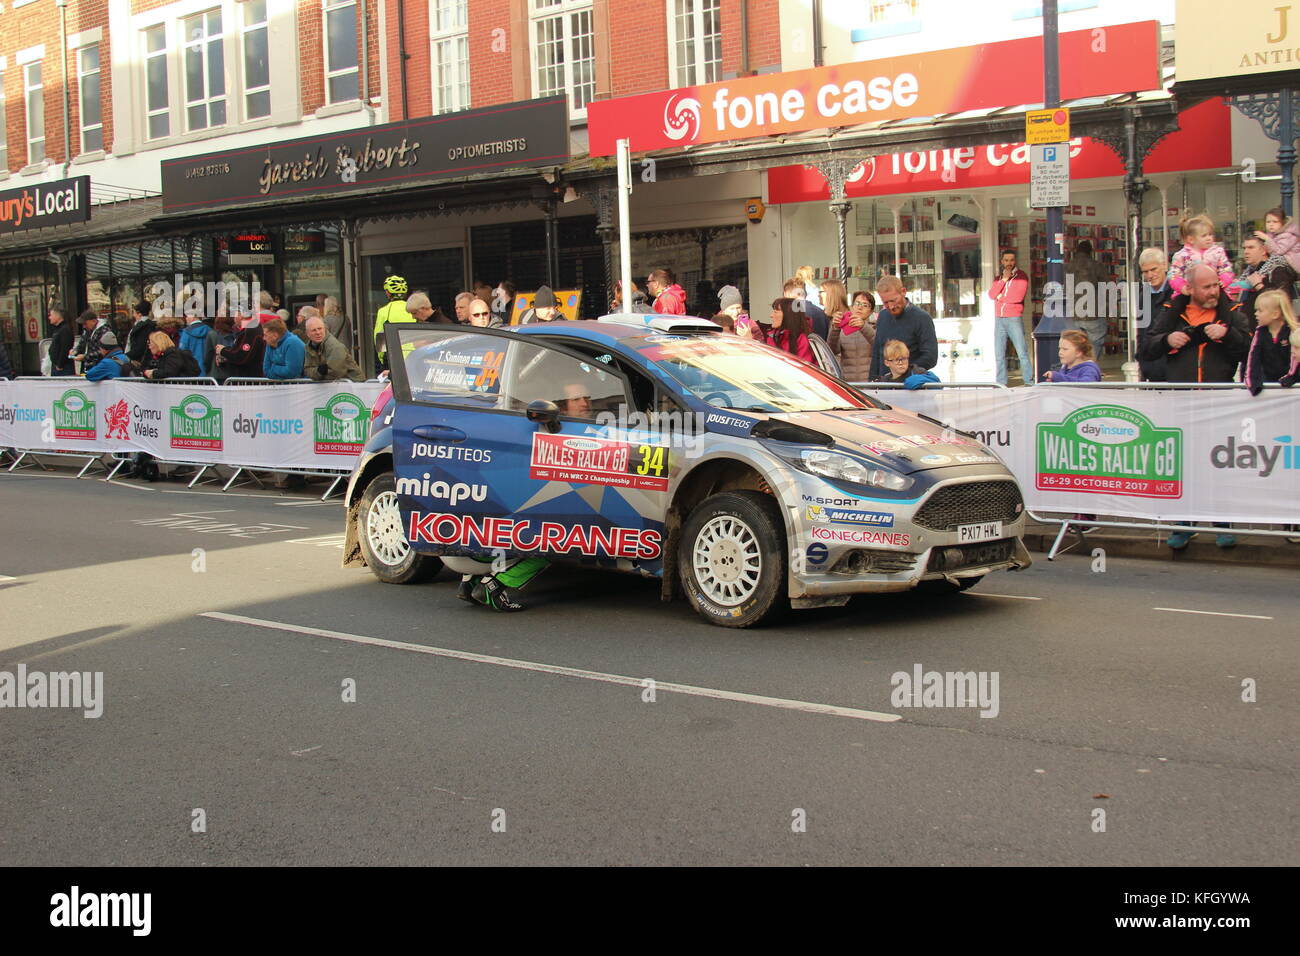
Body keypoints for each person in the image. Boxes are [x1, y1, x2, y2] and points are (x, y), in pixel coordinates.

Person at [1142, 264, 1251, 550]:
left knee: (1219, 465)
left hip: (1218, 401)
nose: (1214, 291)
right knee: (1184, 467)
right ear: (1190, 288)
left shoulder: (1232, 311)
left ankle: (1223, 526)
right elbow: (1146, 349)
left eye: (1216, 285)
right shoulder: (1172, 312)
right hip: (1183, 403)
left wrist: (1226, 335)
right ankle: (1183, 526)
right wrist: (1167, 340)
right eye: (1207, 287)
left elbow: (1247, 351)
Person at [869, 276, 938, 379]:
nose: (891, 306)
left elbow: (930, 357)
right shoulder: (883, 316)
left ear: (903, 292)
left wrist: (904, 374)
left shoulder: (922, 318)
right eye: (886, 303)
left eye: (893, 300)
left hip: (910, 386)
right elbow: (877, 354)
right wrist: (872, 381)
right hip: (884, 386)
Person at [1231, 235, 1297, 325]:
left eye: (1251, 248)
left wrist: (1259, 286)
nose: (1246, 252)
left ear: (1263, 250)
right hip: (1249, 329)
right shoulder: (1249, 272)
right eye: (1244, 248)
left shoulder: (1277, 270)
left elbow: (1281, 304)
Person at [989, 249, 1033, 385]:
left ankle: (1029, 381)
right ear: (1002, 261)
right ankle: (1001, 383)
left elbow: (1017, 298)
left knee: (1022, 352)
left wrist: (1000, 296)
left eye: (1011, 260)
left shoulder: (1022, 276)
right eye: (1006, 260)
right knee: (999, 354)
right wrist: (1003, 280)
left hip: (1013, 317)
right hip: (999, 318)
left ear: (1015, 261)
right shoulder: (998, 278)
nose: (1009, 263)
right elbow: (991, 295)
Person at [1244, 290, 1299, 395]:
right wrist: (1252, 380)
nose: (1256, 314)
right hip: (1268, 383)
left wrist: (1291, 377)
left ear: (1275, 314)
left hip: (1292, 385)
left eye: (1260, 311)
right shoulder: (1260, 332)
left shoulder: (1291, 331)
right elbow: (1253, 357)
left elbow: (1295, 358)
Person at [1168, 214, 1235, 296]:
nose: (1209, 238)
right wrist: (1182, 287)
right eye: (1204, 236)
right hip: (1190, 292)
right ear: (1191, 239)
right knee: (1177, 306)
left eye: (1210, 234)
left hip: (1214, 289)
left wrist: (1224, 280)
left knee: (1224, 304)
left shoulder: (1218, 252)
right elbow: (1174, 274)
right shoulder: (1182, 255)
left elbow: (1226, 269)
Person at [1065, 240, 1111, 357]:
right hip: (1093, 312)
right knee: (1095, 342)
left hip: (1073, 313)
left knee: (1076, 344)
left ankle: (1079, 368)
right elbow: (1107, 287)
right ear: (1091, 252)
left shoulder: (1067, 267)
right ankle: (1091, 367)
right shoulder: (1097, 266)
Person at [1136, 248, 1173, 382]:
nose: (1150, 275)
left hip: (1172, 366)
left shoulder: (1176, 293)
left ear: (1164, 266)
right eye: (1145, 272)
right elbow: (1141, 331)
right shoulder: (1143, 295)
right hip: (1150, 368)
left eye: (1154, 269)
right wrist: (1142, 362)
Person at [829, 290, 876, 383]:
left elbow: (879, 346)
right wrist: (835, 328)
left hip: (871, 383)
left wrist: (863, 327)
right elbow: (832, 350)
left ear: (871, 312)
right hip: (848, 383)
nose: (860, 307)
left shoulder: (874, 328)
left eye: (865, 305)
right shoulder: (843, 330)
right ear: (852, 307)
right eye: (857, 303)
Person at [303, 316, 364, 382]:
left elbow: (336, 373)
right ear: (308, 334)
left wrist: (318, 374)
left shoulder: (334, 346)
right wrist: (318, 372)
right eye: (313, 330)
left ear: (325, 329)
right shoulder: (309, 347)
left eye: (320, 329)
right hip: (335, 386)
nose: (318, 332)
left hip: (353, 385)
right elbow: (307, 370)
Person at [374, 274, 412, 370]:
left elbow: (378, 336)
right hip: (413, 355)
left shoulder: (384, 311)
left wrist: (381, 358)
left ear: (388, 293)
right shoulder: (412, 308)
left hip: (393, 357)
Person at [214, 310, 266, 379]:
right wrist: (225, 357)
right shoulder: (247, 330)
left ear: (241, 315)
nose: (234, 318)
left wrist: (223, 350)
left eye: (235, 314)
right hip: (245, 379)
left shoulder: (251, 330)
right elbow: (239, 351)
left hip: (249, 381)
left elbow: (241, 356)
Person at [872, 340, 939, 389]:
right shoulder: (883, 382)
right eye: (896, 360)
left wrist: (921, 379)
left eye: (904, 358)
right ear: (887, 363)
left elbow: (938, 384)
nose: (901, 363)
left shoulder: (918, 372)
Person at [1255, 206, 1300, 275]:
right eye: (1268, 222)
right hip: (1282, 263)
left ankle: (1258, 276)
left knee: (1275, 258)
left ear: (1283, 223)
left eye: (1275, 222)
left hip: (1293, 263)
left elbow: (1279, 251)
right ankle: (1246, 278)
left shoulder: (1288, 235)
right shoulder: (1272, 235)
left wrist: (1267, 239)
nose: (1271, 224)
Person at [766, 298, 813, 362]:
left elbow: (803, 369)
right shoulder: (772, 337)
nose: (771, 315)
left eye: (776, 312)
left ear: (788, 316)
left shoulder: (803, 340)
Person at [73, 310, 110, 375]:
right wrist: (75, 351)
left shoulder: (104, 331)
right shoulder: (87, 331)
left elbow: (104, 350)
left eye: (85, 323)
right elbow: (82, 343)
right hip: (87, 367)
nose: (84, 326)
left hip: (99, 367)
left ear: (94, 321)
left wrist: (85, 356)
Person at [178, 311, 214, 377]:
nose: (186, 318)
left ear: (193, 316)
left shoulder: (186, 332)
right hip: (209, 372)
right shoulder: (211, 331)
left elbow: (181, 352)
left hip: (192, 372)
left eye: (187, 316)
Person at [125, 301, 157, 365]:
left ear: (139, 313)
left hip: (137, 362)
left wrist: (125, 356)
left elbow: (140, 348)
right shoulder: (147, 325)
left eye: (134, 312)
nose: (133, 315)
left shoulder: (143, 327)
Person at [48, 307, 77, 376]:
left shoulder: (65, 330)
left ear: (58, 316)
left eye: (51, 315)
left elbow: (65, 348)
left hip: (63, 368)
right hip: (57, 365)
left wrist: (60, 364)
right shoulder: (58, 329)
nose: (49, 317)